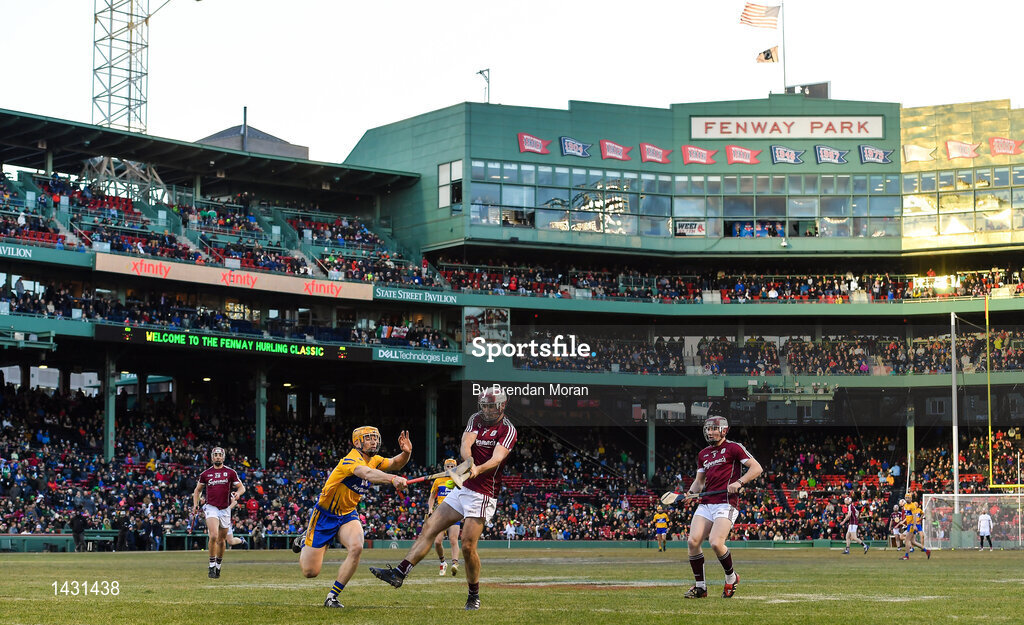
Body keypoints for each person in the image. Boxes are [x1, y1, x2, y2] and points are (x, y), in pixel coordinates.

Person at [369, 387, 518, 611]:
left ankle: (473, 595)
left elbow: (497, 459)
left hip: (484, 493)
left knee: (468, 546)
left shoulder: (508, 430)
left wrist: (479, 469)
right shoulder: (476, 419)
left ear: (502, 406)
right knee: (430, 527)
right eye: (484, 406)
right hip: (464, 487)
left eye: (490, 406)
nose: (486, 410)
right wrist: (469, 463)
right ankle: (399, 573)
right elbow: (466, 444)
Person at [292, 426, 410, 609]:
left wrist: (406, 453)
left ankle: (332, 597)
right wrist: (393, 479)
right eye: (369, 438)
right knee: (310, 572)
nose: (374, 441)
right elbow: (367, 474)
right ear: (357, 442)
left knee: (356, 547)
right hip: (324, 515)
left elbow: (395, 463)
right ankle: (304, 540)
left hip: (347, 514)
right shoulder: (350, 459)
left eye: (376, 438)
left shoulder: (375, 460)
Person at [681, 415, 762, 599]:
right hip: (707, 503)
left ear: (724, 430)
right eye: (708, 429)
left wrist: (739, 482)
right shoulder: (703, 454)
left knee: (716, 543)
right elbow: (699, 482)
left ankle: (731, 577)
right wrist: (690, 494)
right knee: (693, 542)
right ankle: (700, 588)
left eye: (714, 428)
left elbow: (756, 468)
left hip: (726, 502)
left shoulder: (734, 448)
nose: (710, 432)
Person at [191, 447, 245, 579]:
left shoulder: (230, 472)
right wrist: (195, 505)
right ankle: (211, 566)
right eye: (215, 455)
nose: (218, 457)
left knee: (222, 541)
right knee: (214, 536)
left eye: (220, 455)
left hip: (225, 509)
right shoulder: (205, 474)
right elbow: (197, 490)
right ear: (212, 457)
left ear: (223, 457)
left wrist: (237, 493)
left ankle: (218, 567)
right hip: (211, 507)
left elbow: (241, 487)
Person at [428, 458, 461, 576]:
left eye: (452, 466)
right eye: (448, 466)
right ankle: (443, 562)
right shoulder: (438, 480)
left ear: (456, 468)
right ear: (444, 467)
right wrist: (430, 509)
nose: (450, 468)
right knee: (437, 542)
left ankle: (455, 563)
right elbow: (432, 496)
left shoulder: (459, 480)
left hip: (454, 512)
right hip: (441, 513)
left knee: (453, 539)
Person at [900, 493, 930, 560]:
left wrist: (914, 525)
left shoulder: (912, 506)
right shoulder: (905, 506)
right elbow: (908, 516)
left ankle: (906, 556)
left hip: (911, 525)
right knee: (913, 542)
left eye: (908, 498)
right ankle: (926, 551)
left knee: (907, 540)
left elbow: (914, 516)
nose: (907, 499)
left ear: (911, 498)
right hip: (909, 524)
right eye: (906, 498)